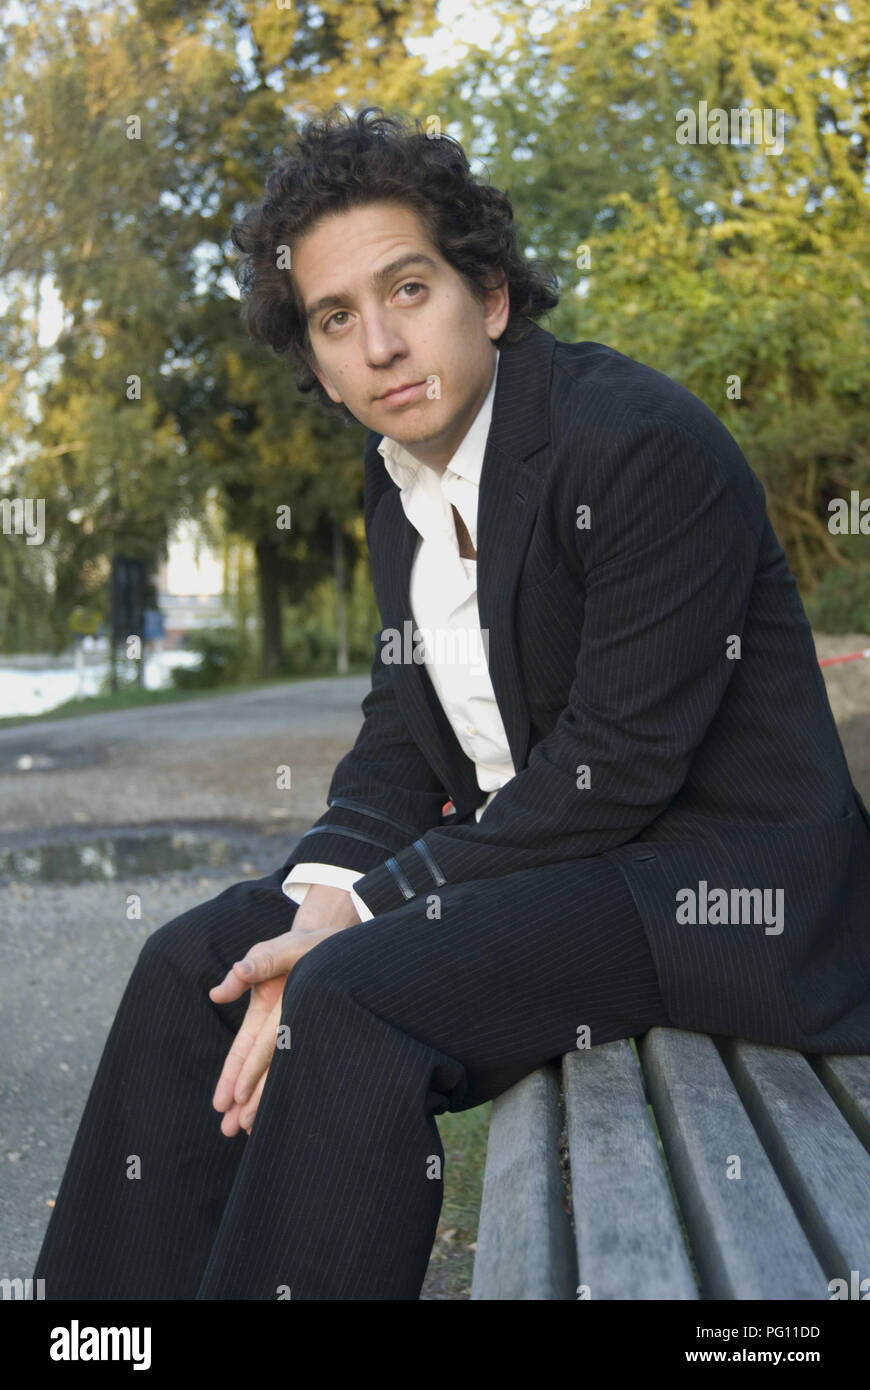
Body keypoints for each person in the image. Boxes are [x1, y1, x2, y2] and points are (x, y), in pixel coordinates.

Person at [34, 104, 870, 1301]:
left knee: (351, 994)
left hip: (716, 890)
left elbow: (615, 767)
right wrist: (319, 896)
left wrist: (362, 917)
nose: (379, 343)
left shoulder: (632, 443)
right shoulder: (401, 488)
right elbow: (398, 738)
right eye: (336, 318)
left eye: (407, 289)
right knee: (194, 966)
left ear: (489, 296)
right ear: (318, 365)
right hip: (570, 869)